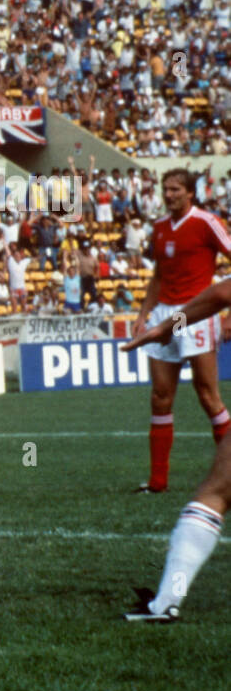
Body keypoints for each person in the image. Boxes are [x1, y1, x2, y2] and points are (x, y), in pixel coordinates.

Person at [123, 278, 231, 620]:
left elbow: (216, 295)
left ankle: (167, 600)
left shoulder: (200, 228)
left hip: (182, 320)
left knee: (214, 493)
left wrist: (165, 328)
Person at [131, 169, 231, 494]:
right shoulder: (159, 228)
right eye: (165, 188)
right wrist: (143, 315)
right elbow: (158, 275)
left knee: (207, 395)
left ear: (190, 193)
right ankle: (157, 482)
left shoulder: (208, 222)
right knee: (160, 398)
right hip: (164, 315)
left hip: (197, 314)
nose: (168, 194)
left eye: (175, 189)